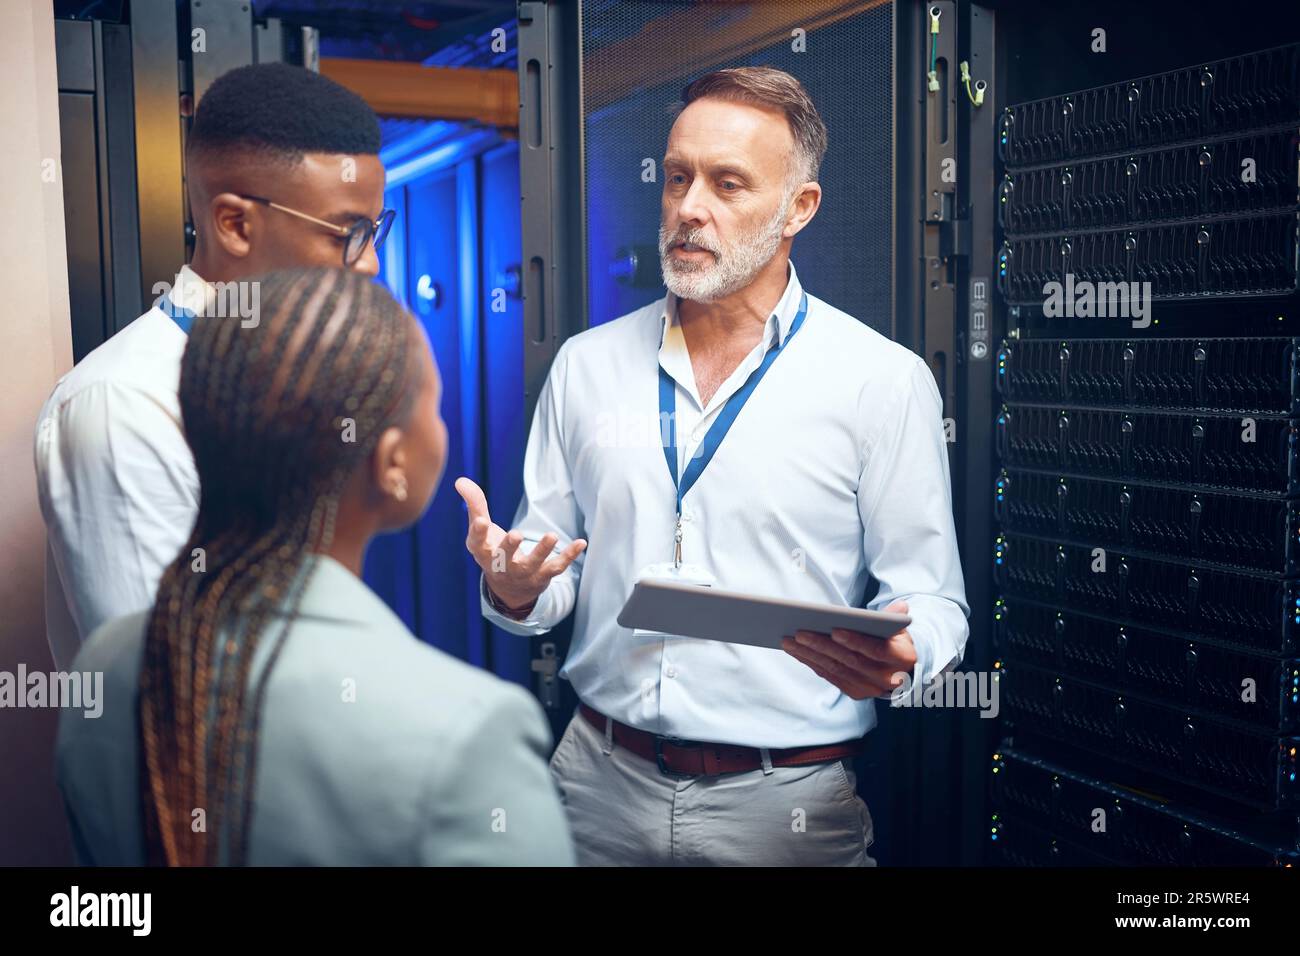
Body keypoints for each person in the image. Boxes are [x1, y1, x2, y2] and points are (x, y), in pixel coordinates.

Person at [456, 66, 969, 865]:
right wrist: (512, 586)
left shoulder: (881, 380)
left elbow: (934, 599)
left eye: (728, 184)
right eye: (678, 178)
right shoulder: (586, 367)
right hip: (594, 783)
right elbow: (549, 571)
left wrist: (908, 655)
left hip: (783, 808)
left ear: (800, 208)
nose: (690, 207)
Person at [56, 268, 575, 866]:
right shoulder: (468, 735)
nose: (441, 424)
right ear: (391, 463)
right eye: (432, 405)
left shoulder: (103, 668)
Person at [36, 62, 396, 670]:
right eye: (347, 233)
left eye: (375, 230)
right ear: (234, 224)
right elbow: (173, 689)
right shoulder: (123, 404)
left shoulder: (295, 376)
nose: (369, 266)